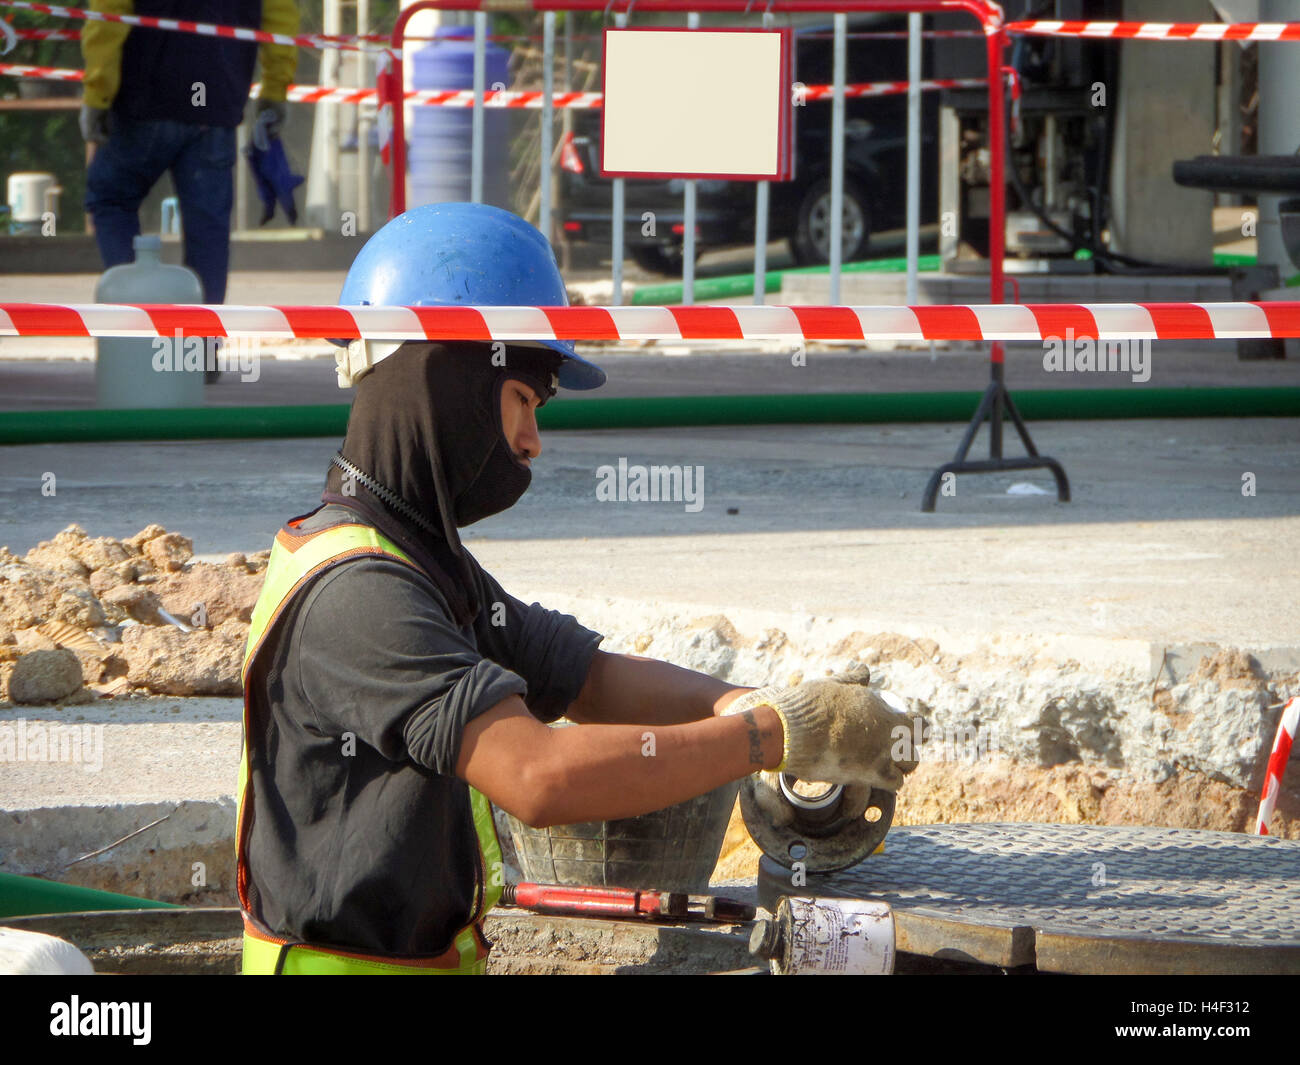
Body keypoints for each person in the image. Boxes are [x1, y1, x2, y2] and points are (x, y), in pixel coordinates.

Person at [236, 203, 923, 974]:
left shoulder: (417, 557)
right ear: (450, 373)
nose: (533, 441)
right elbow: (536, 774)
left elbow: (586, 679)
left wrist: (762, 705)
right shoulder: (361, 592)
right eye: (525, 398)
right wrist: (769, 737)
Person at [80, 0, 298, 325]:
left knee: (111, 199)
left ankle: (133, 329)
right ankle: (199, 349)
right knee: (207, 227)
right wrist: (275, 90)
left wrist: (97, 94)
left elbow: (108, 16)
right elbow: (280, 17)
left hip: (144, 102)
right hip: (217, 106)